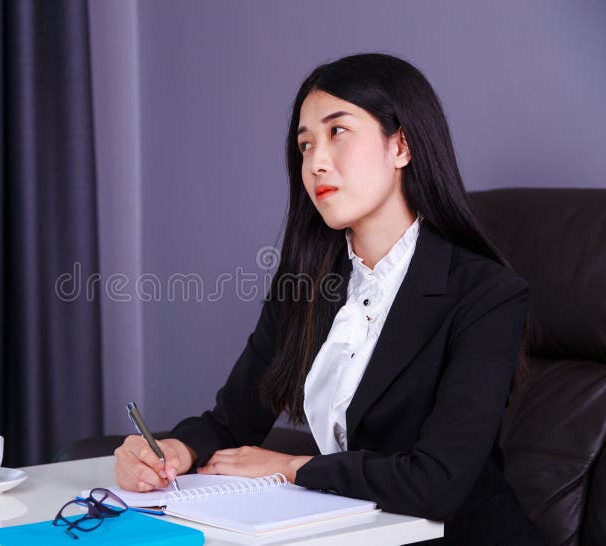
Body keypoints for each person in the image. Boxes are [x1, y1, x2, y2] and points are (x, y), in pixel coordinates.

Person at [114, 53, 544, 545]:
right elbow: (232, 419)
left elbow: (436, 483)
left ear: (401, 145)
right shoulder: (308, 282)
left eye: (338, 132)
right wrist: (173, 451)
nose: (316, 161)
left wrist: (293, 467)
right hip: (344, 532)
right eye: (304, 144)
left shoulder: (487, 295)